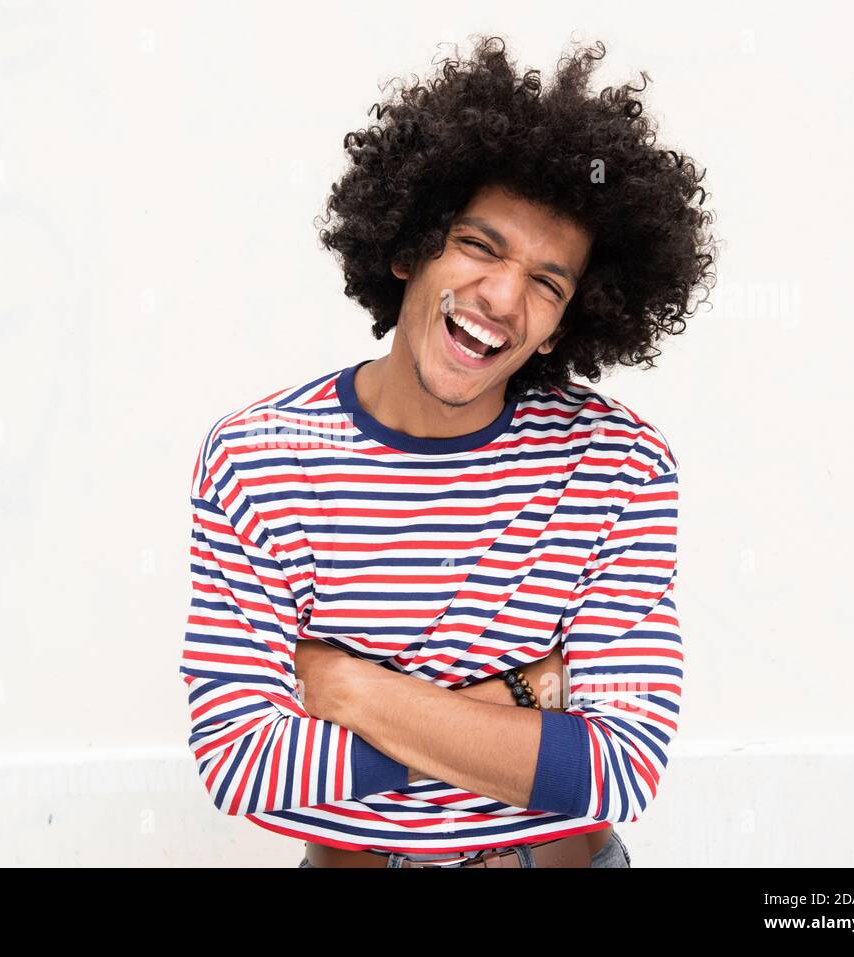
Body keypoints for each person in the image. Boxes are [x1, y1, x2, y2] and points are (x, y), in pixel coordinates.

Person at [179, 35, 715, 868]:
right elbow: (243, 763)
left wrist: (352, 689)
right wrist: (525, 695)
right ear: (405, 248)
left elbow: (620, 767)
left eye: (548, 282)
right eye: (479, 246)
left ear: (563, 327)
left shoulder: (619, 463)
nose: (503, 298)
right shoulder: (262, 456)